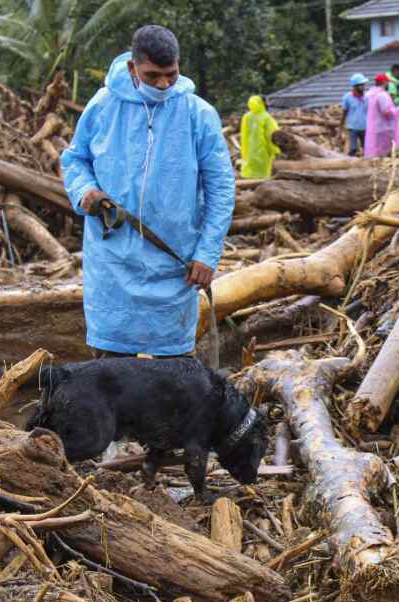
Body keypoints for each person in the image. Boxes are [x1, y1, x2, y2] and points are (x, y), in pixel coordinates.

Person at [61, 25, 234, 358]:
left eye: (171, 74)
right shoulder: (103, 106)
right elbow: (75, 159)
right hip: (112, 261)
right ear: (131, 68)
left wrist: (207, 252)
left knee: (175, 374)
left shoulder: (199, 115)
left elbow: (221, 188)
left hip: (175, 262)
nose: (163, 84)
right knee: (111, 373)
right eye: (152, 75)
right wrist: (84, 190)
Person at [240, 94, 280, 179]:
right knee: (263, 177)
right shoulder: (266, 117)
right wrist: (276, 150)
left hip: (249, 152)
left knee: (250, 176)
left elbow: (244, 135)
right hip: (263, 152)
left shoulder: (246, 117)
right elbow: (272, 135)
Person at [364, 73, 399, 157]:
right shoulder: (382, 95)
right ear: (384, 82)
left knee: (375, 148)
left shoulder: (369, 94)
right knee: (384, 151)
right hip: (384, 128)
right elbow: (386, 111)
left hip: (373, 127)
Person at [341, 73, 369, 156]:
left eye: (364, 84)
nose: (364, 86)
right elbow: (344, 112)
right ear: (355, 86)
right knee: (353, 148)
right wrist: (341, 126)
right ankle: (350, 162)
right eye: (361, 85)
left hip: (365, 126)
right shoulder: (347, 97)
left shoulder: (367, 97)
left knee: (366, 147)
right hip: (352, 127)